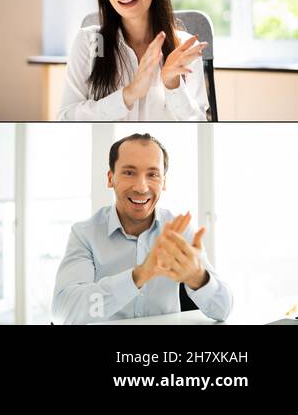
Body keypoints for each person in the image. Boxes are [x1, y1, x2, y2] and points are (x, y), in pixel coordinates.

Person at [52, 133, 232, 324]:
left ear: (164, 182)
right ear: (110, 178)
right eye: (129, 172)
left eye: (153, 174)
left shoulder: (180, 232)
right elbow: (64, 312)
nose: (141, 187)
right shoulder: (84, 234)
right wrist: (139, 274)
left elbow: (223, 310)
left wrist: (197, 277)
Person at [58, 0, 208, 122]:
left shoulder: (183, 48)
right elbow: (65, 118)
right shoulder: (88, 42)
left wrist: (172, 84)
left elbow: (199, 124)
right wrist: (129, 94)